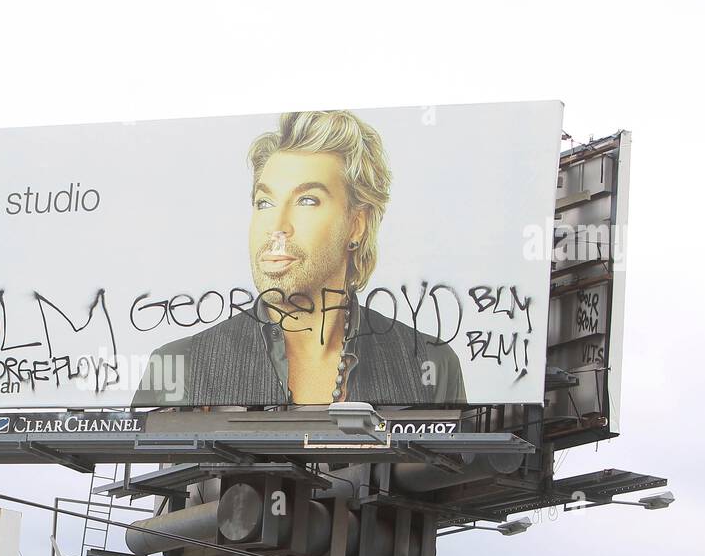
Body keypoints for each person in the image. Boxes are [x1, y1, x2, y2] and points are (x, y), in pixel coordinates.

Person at [133, 110, 465, 408]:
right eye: (265, 203)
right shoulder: (179, 365)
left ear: (357, 224)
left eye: (307, 200)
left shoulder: (430, 365)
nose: (277, 228)